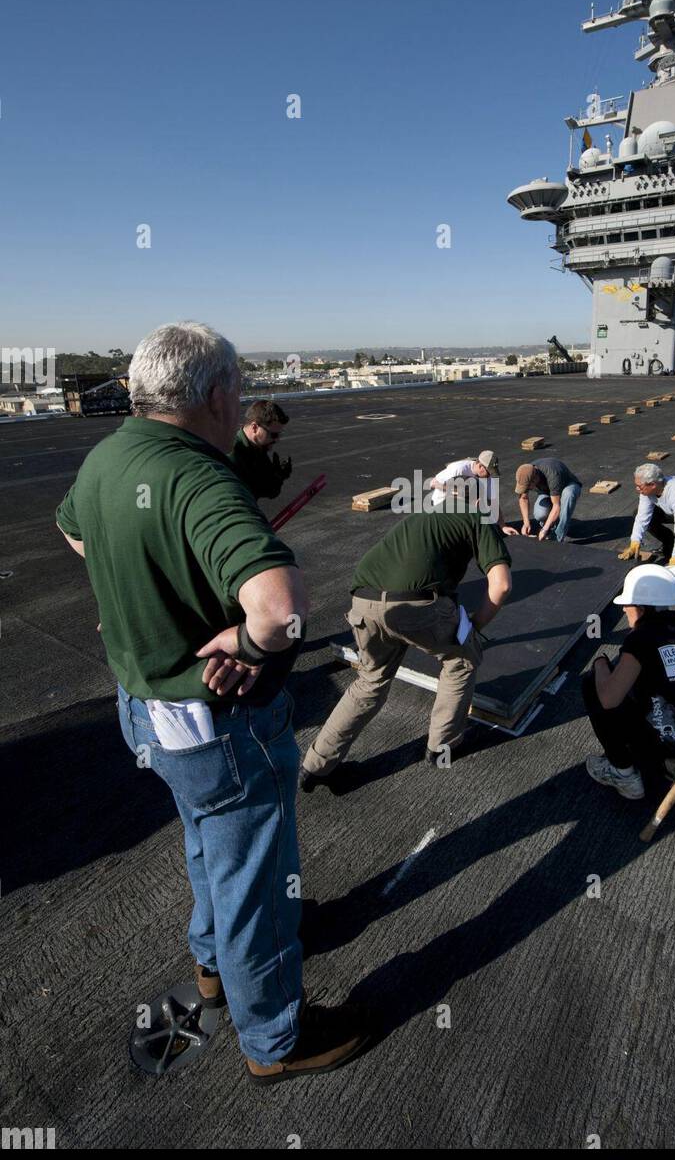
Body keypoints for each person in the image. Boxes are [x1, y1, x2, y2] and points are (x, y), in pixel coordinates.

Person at [55, 321, 366, 1083]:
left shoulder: (107, 455)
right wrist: (249, 647)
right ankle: (275, 1042)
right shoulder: (198, 474)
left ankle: (210, 969)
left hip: (145, 712)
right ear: (219, 394)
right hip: (216, 725)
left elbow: (75, 534)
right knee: (255, 878)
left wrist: (140, 596)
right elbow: (280, 604)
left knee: (206, 844)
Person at [301, 481, 512, 785]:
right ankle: (443, 747)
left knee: (370, 681)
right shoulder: (477, 516)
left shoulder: (421, 516)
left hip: (363, 600)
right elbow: (501, 584)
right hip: (414, 605)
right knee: (460, 660)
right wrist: (476, 626)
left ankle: (316, 765)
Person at [581, 564, 675, 804]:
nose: (625, 612)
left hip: (674, 751)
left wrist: (599, 662)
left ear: (639, 608)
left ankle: (624, 774)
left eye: (626, 607)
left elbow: (609, 699)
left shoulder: (641, 639)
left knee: (594, 684)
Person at [429, 449, 518, 533]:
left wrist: (503, 526)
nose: (489, 475)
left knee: (486, 523)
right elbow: (433, 483)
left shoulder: (487, 477)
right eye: (489, 472)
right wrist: (456, 491)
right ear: (480, 466)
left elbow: (493, 501)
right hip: (441, 503)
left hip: (463, 503)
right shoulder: (459, 469)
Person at [231, 400, 292, 501]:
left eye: (279, 434)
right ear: (254, 427)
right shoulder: (231, 453)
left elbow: (270, 492)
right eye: (273, 435)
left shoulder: (258, 448)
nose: (277, 440)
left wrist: (278, 477)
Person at [514, 457, 582, 542]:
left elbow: (556, 506)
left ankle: (558, 536)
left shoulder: (553, 473)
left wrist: (545, 529)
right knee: (540, 513)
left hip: (568, 485)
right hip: (548, 491)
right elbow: (523, 498)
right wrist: (526, 522)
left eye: (528, 487)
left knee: (568, 495)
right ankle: (549, 526)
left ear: (535, 479)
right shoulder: (526, 474)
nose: (528, 489)